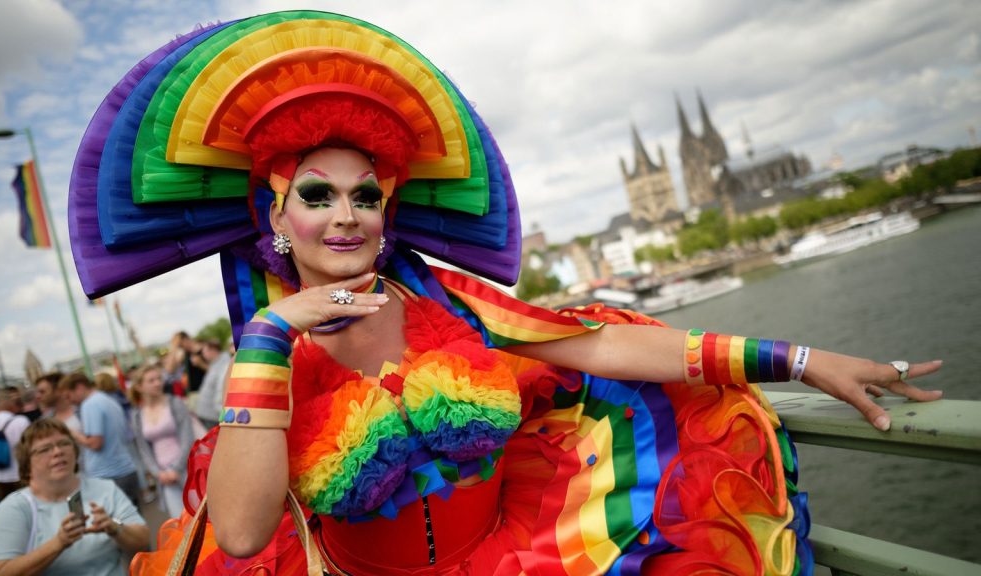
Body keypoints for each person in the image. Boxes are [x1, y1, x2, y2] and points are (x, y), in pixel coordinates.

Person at [73, 12, 943, 575]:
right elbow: (241, 533)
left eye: (367, 194)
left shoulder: (441, 298)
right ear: (276, 212)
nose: (347, 215)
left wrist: (800, 359)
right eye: (317, 193)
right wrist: (268, 335)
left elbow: (596, 343)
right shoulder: (265, 350)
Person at [0, 418, 149, 575]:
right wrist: (58, 544)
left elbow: (144, 540)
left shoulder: (104, 488)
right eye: (45, 449)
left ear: (75, 452)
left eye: (63, 443)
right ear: (26, 463)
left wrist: (116, 529)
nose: (57, 452)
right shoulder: (14, 508)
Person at [60, 373, 140, 507]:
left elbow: (95, 443)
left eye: (69, 396)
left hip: (108, 475)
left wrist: (73, 434)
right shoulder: (106, 399)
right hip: (124, 470)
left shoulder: (90, 405)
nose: (69, 401)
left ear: (79, 387)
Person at [128, 364, 195, 518]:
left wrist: (175, 469)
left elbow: (187, 437)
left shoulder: (174, 403)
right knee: (180, 521)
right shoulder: (137, 415)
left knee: (201, 516)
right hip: (164, 477)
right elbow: (143, 449)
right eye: (151, 380)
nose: (158, 383)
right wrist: (158, 473)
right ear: (139, 386)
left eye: (159, 378)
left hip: (187, 469)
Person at [194, 340, 231, 430]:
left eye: (204, 351)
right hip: (207, 414)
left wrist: (222, 414)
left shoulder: (224, 364)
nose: (203, 355)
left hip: (213, 417)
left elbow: (220, 391)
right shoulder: (215, 364)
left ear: (213, 350)